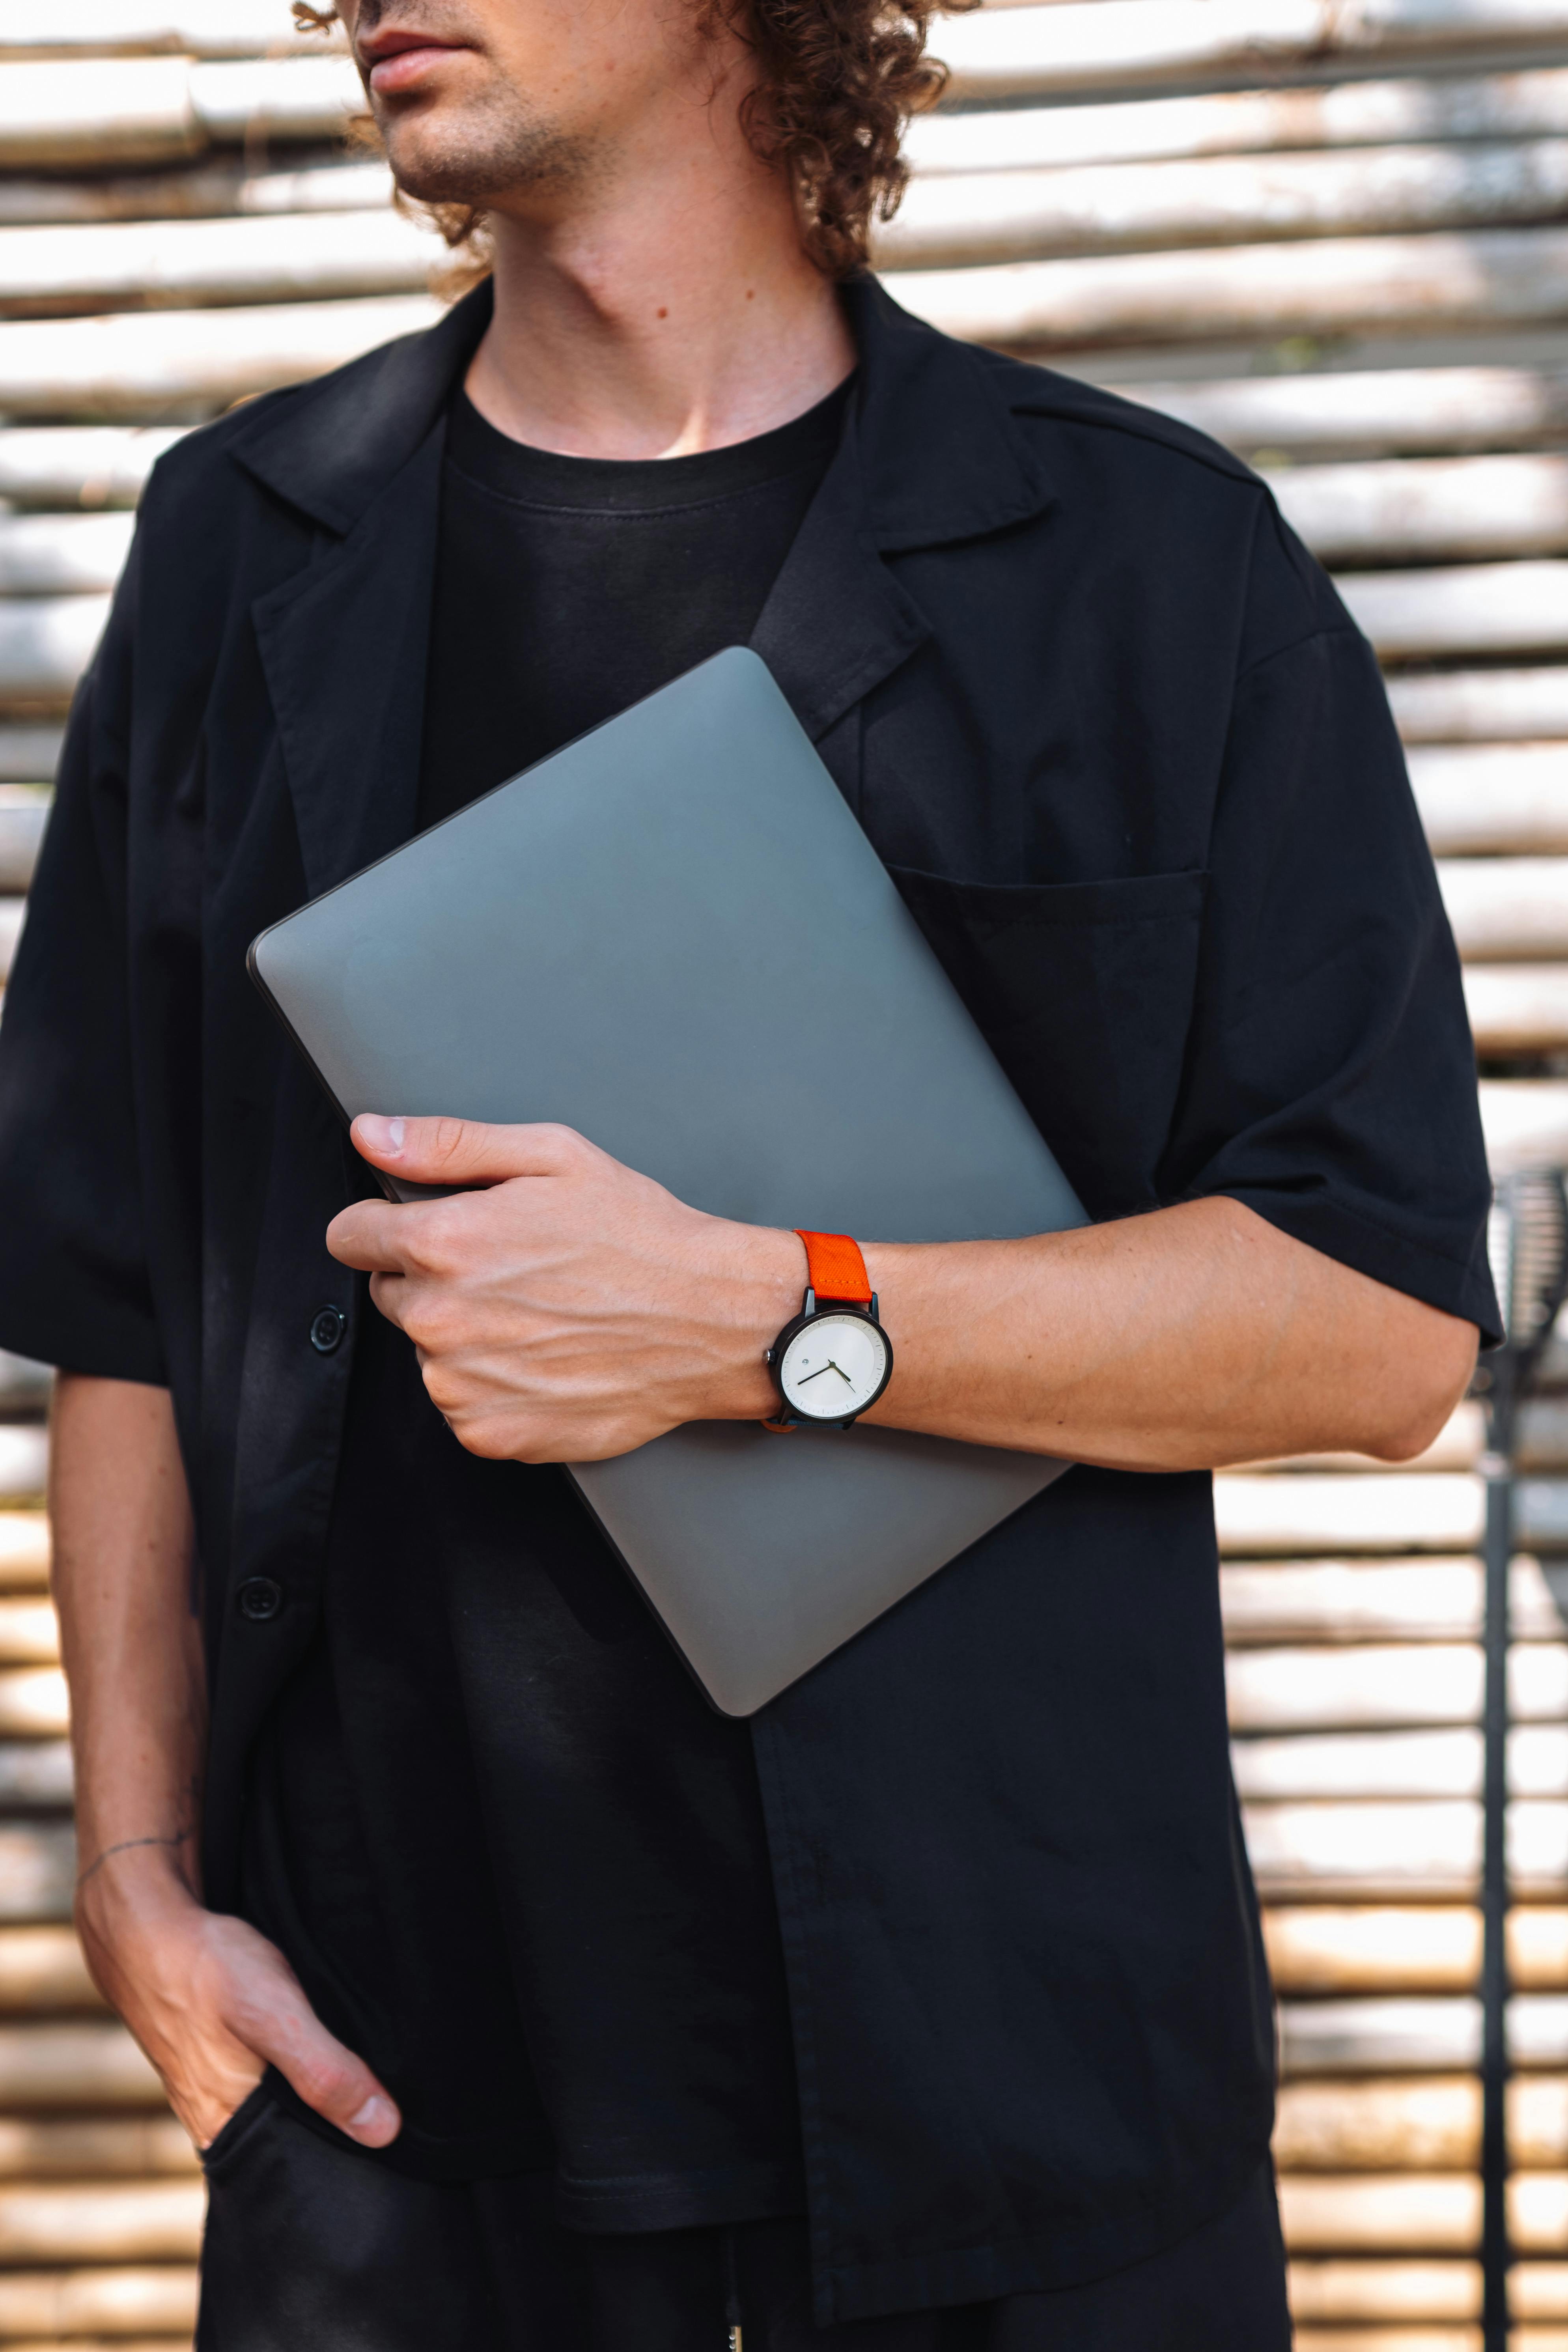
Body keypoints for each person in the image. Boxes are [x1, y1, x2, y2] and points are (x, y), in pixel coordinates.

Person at [0, 0, 1496, 2343]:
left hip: (1016, 2106)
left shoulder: (1146, 563)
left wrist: (781, 1321)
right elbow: (117, 1296)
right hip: (390, 2122)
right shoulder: (239, 542)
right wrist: (137, 1879)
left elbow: (1384, 1316)